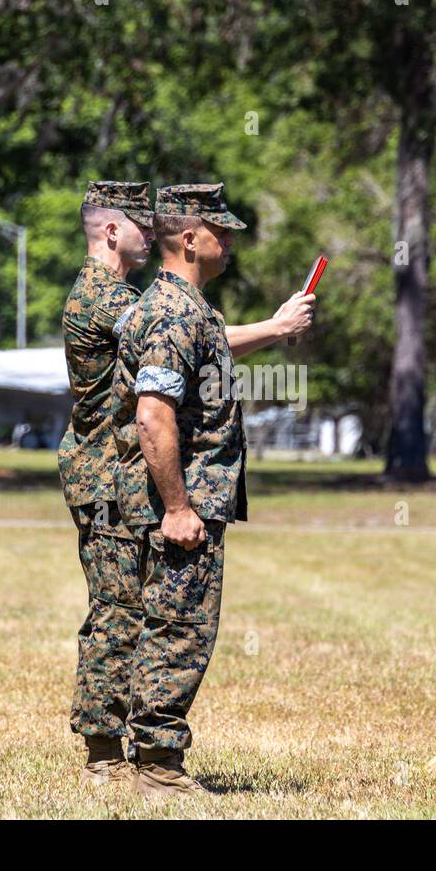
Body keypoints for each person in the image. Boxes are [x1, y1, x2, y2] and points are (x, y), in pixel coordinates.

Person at [110, 183, 314, 798]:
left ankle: (144, 754)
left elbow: (209, 350)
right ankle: (158, 767)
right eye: (220, 233)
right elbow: (153, 415)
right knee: (179, 629)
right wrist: (178, 506)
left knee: (165, 623)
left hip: (178, 498)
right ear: (189, 238)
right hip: (180, 502)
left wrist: (277, 329)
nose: (228, 244)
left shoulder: (181, 309)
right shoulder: (175, 312)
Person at [58, 181, 156, 786]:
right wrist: (273, 330)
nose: (155, 235)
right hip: (106, 477)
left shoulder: (120, 293)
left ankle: (121, 741)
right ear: (112, 231)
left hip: (118, 475)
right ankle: (102, 754)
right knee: (116, 610)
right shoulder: (101, 298)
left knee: (130, 606)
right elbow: (183, 343)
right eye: (144, 224)